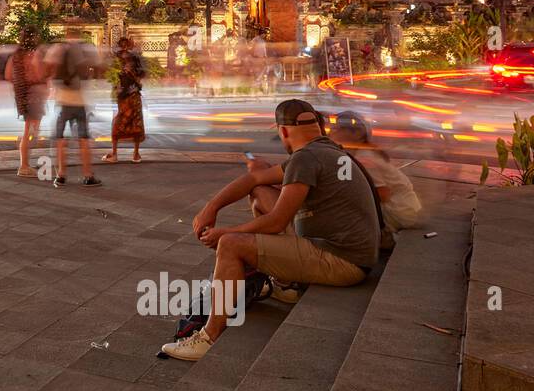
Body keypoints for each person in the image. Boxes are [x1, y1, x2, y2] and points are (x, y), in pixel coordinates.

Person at [161, 99, 380, 361]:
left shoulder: (306, 158)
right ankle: (285, 284)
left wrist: (225, 233)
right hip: (343, 248)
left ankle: (207, 337)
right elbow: (255, 179)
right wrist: (212, 206)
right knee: (260, 192)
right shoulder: (324, 151)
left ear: (284, 131)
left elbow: (277, 221)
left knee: (231, 245)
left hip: (342, 260)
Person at [329, 110, 422, 232]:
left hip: (399, 213)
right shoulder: (353, 155)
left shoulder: (364, 158)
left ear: (357, 134)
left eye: (337, 129)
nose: (331, 132)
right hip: (404, 209)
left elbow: (382, 194)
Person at [45, 28, 101, 187]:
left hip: (63, 101)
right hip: (80, 101)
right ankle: (88, 175)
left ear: (67, 36)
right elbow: (98, 67)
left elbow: (47, 69)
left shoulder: (57, 49)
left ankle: (61, 175)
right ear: (79, 36)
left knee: (60, 139)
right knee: (83, 138)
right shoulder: (86, 49)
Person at [5, 27, 47, 177]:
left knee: (30, 130)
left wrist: (20, 84)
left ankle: (25, 161)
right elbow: (39, 75)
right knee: (31, 132)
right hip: (33, 96)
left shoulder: (15, 56)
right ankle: (24, 165)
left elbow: (8, 75)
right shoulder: (33, 54)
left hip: (22, 96)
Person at [105, 47, 145, 163]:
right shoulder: (136, 71)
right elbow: (138, 85)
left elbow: (122, 89)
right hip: (135, 99)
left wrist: (117, 92)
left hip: (127, 100)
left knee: (118, 124)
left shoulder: (125, 72)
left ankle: (114, 154)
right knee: (136, 124)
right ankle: (136, 154)